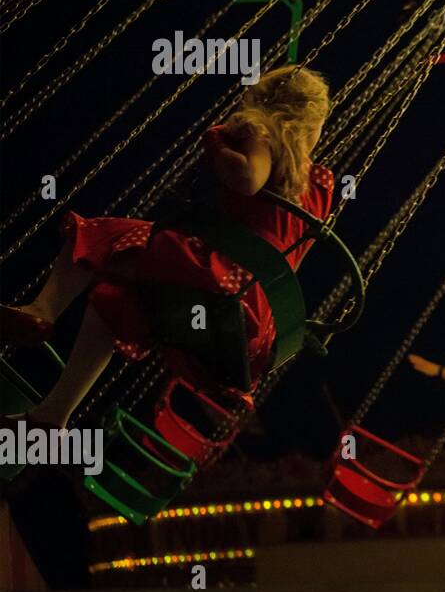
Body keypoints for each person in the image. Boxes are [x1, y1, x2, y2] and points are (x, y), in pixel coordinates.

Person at [0, 66, 334, 429]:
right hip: (254, 327)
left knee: (97, 233)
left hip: (217, 281)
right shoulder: (322, 183)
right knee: (111, 304)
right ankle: (50, 418)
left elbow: (249, 180)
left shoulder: (259, 131)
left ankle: (42, 309)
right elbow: (289, 259)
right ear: (310, 123)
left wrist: (214, 140)